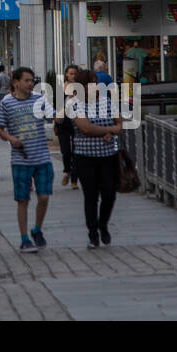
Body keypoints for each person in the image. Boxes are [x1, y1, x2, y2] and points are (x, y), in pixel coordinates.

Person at [0, 67, 54, 253]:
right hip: (21, 159)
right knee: (23, 200)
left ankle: (37, 229)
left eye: (32, 81)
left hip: (42, 156)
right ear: (16, 82)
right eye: (27, 81)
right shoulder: (7, 103)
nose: (30, 84)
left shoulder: (39, 100)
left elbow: (53, 116)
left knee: (44, 196)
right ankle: (24, 238)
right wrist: (11, 139)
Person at [72, 68, 122, 248]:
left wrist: (111, 131)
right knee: (91, 196)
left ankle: (103, 224)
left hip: (108, 155)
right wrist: (107, 130)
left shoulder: (107, 101)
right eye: (90, 83)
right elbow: (86, 128)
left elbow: (120, 124)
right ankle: (93, 233)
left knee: (109, 193)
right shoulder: (74, 104)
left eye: (96, 83)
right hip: (85, 157)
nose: (94, 86)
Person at [54, 64, 80, 189]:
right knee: (65, 151)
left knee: (77, 151)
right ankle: (67, 171)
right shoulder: (60, 88)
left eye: (75, 73)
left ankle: (74, 180)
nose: (73, 75)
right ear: (66, 74)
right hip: (63, 121)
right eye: (70, 73)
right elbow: (56, 106)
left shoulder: (80, 88)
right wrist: (55, 123)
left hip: (77, 121)